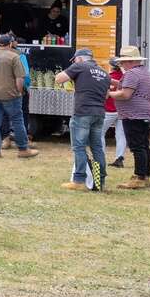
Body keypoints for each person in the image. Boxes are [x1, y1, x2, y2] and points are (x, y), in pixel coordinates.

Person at [55, 48, 110, 192]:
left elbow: (59, 78)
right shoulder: (104, 73)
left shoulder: (80, 66)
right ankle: (99, 181)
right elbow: (106, 96)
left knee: (79, 147)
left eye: (74, 60)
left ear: (79, 58)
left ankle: (79, 180)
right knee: (97, 148)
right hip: (99, 113)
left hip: (83, 112)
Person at [109, 46, 150, 189]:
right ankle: (145, 176)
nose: (121, 65)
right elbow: (130, 88)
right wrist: (114, 82)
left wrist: (109, 94)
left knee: (137, 147)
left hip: (134, 115)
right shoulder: (143, 72)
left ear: (130, 61)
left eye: (123, 62)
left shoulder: (132, 74)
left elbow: (125, 94)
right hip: (145, 114)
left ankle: (139, 177)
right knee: (144, 146)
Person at [105, 60, 129, 168]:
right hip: (122, 110)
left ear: (111, 67)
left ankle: (100, 156)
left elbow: (105, 95)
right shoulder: (126, 78)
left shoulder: (107, 77)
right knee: (121, 135)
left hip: (108, 110)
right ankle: (119, 158)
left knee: (99, 133)